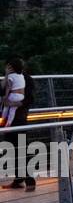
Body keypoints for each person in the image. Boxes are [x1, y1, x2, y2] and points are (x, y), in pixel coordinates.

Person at [2, 57, 35, 190]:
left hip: (19, 118)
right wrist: (5, 76)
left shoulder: (26, 79)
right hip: (10, 118)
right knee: (12, 147)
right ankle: (18, 179)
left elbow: (29, 99)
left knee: (20, 147)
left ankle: (29, 180)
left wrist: (13, 103)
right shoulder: (10, 78)